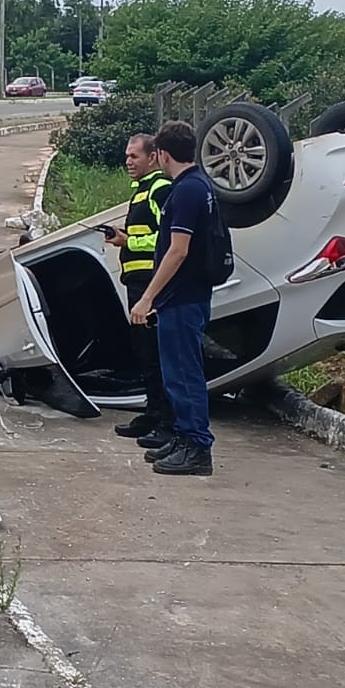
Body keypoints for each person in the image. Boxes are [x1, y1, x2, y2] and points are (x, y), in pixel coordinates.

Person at [128, 121, 219, 476]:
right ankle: (184, 437)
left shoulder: (185, 192)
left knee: (184, 374)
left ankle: (197, 447)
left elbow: (177, 251)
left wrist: (148, 296)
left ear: (162, 155)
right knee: (177, 374)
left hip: (182, 297)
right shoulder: (197, 186)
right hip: (185, 296)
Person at [103, 133, 172, 441]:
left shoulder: (160, 189)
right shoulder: (141, 191)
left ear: (153, 157)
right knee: (144, 353)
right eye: (127, 156)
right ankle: (152, 413)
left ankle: (164, 420)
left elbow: (168, 238)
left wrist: (128, 240)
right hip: (136, 282)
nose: (128, 161)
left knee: (156, 354)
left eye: (134, 156)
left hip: (151, 284)